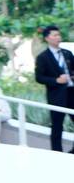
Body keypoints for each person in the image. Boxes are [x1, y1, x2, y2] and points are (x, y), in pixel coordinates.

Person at [34, 25, 74, 154]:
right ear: (47, 38)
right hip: (57, 96)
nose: (58, 37)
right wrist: (56, 80)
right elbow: (39, 77)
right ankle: (57, 153)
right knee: (57, 126)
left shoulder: (67, 53)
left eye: (59, 35)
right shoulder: (42, 57)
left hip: (72, 93)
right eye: (55, 35)